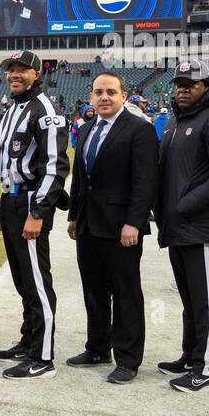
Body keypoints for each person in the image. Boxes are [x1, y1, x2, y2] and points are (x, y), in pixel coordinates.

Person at [66, 71, 159, 384]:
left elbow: (145, 181)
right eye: (98, 92)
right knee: (93, 290)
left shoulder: (139, 129)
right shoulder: (89, 127)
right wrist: (73, 216)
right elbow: (81, 178)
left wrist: (135, 221)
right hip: (90, 224)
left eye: (110, 92)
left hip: (122, 227)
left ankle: (128, 359)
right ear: (91, 96)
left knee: (125, 292)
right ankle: (97, 347)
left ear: (123, 95)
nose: (104, 97)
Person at [155, 60, 209, 391]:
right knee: (191, 299)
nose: (183, 88)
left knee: (206, 299)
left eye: (191, 83)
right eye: (179, 83)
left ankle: (206, 369)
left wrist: (184, 205)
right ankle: (191, 356)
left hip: (201, 225)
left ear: (208, 85)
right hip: (177, 226)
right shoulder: (176, 119)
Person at [0, 49, 69, 380]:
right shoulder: (13, 108)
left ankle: (43, 356)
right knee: (24, 280)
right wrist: (1, 203)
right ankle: (28, 339)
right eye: (11, 69)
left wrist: (38, 211)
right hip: (12, 200)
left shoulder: (44, 110)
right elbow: (9, 162)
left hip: (29, 202)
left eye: (22, 69)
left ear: (37, 74)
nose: (15, 74)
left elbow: (54, 167)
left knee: (37, 281)